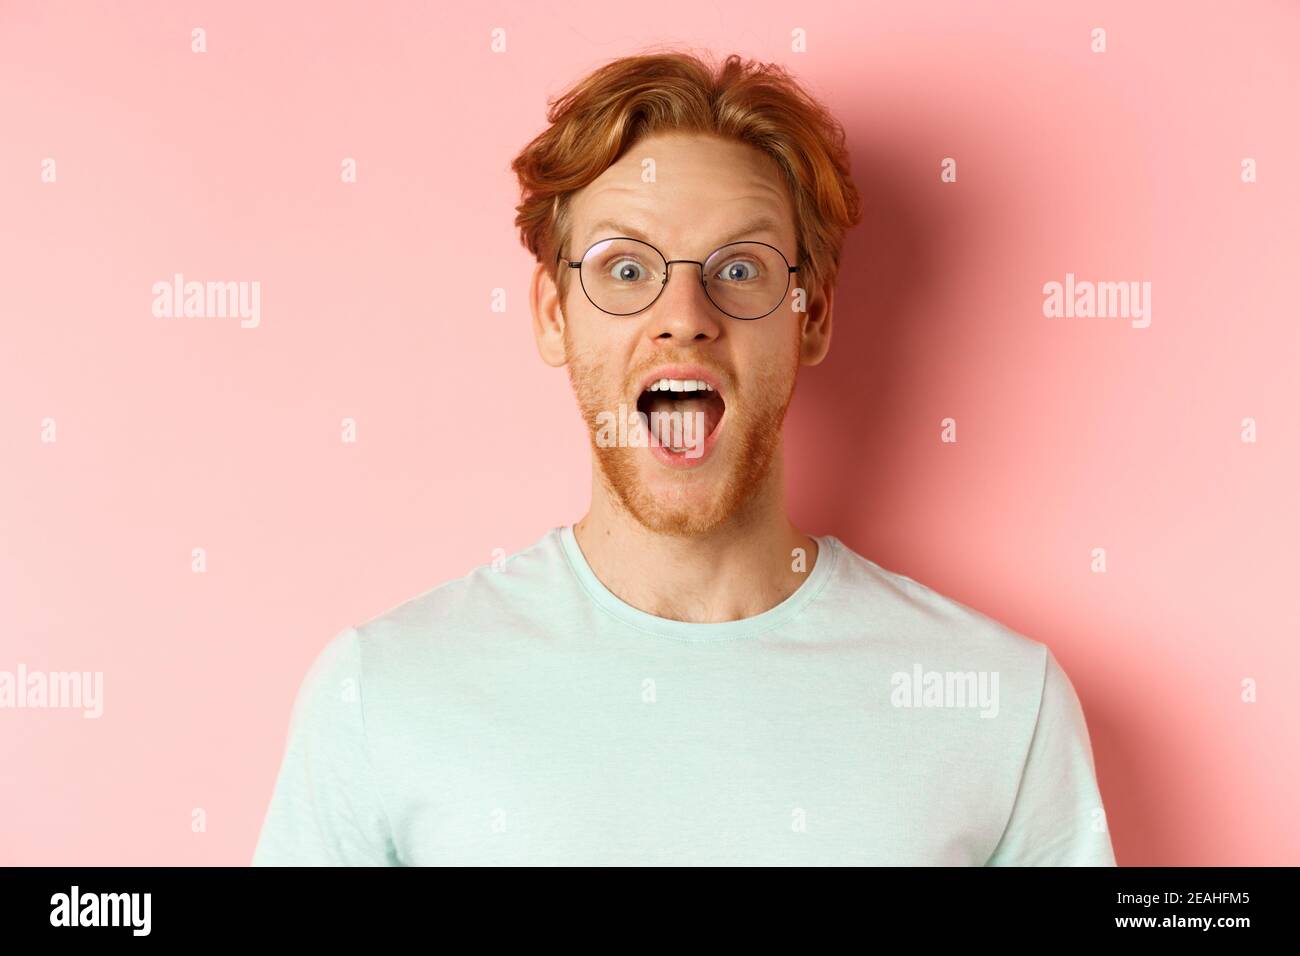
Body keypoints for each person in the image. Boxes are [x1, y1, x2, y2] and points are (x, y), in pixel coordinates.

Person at [252, 50, 1117, 866]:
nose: (684, 316)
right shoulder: (385, 691)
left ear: (809, 317)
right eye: (625, 270)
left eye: (739, 269)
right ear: (554, 316)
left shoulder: (998, 701)